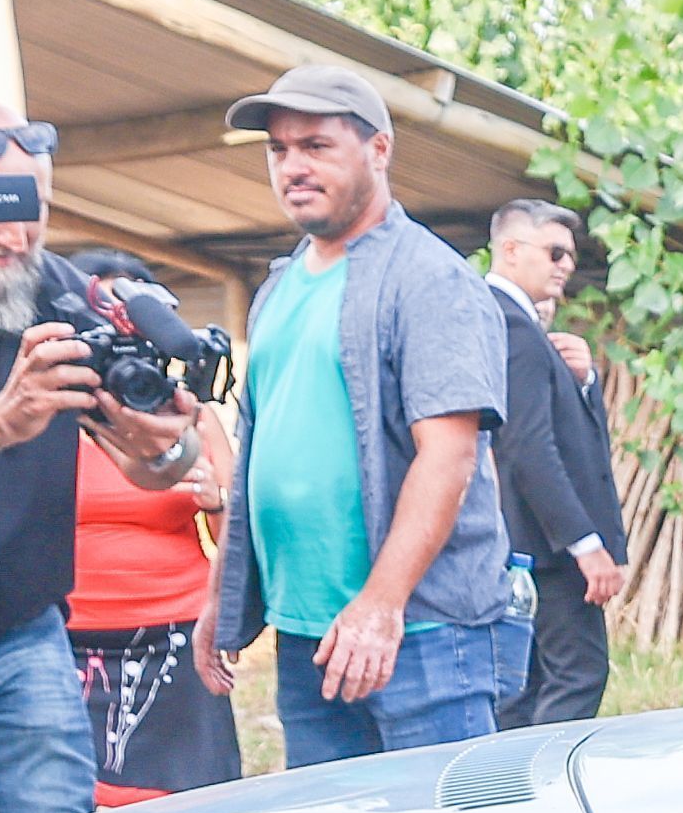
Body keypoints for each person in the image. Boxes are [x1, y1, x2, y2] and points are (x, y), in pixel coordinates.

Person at [214, 62, 510, 776]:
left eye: (316, 146)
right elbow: (261, 449)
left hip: (419, 633)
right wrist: (221, 598)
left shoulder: (429, 279)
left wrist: (381, 604)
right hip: (307, 635)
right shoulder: (279, 287)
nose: (292, 166)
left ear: (378, 150)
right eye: (278, 150)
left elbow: (448, 456)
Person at [0, 93, 198, 813]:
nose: (15, 233)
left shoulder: (60, 290)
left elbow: (163, 463)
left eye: (33, 207)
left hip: (21, 626)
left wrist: (164, 445)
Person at [56, 247, 238, 802]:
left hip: (174, 638)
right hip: (67, 643)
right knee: (68, 806)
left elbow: (234, 527)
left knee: (191, 808)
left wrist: (215, 500)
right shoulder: (52, 411)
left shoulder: (189, 415)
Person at [481, 200, 629, 729]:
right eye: (555, 251)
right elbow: (528, 448)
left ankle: (513, 791)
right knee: (576, 675)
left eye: (571, 253)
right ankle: (535, 792)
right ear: (513, 250)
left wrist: (583, 382)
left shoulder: (514, 322)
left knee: (531, 684)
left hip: (527, 543)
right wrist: (586, 546)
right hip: (544, 547)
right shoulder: (512, 325)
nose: (567, 263)